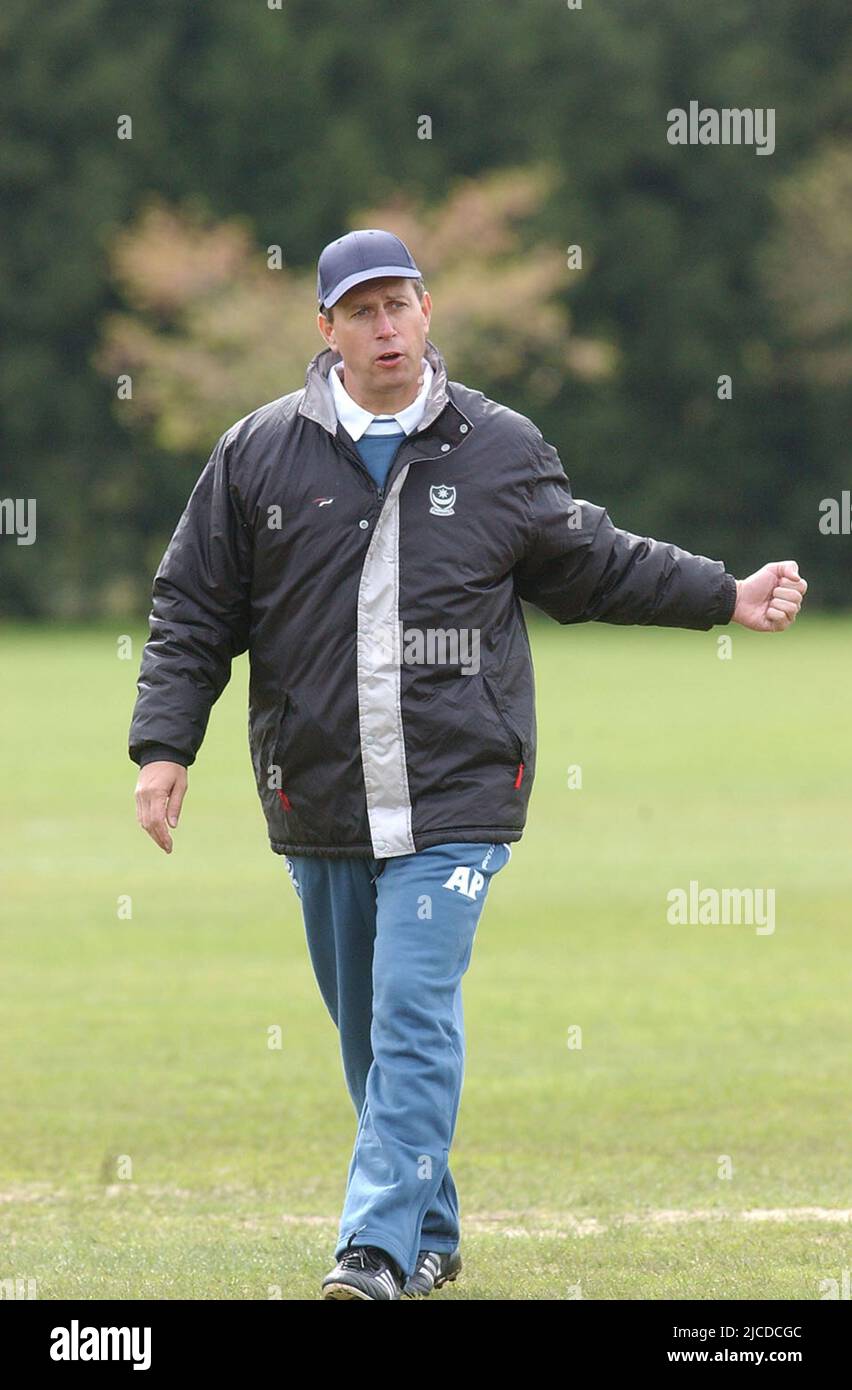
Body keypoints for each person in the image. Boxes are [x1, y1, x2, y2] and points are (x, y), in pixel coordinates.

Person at [129, 228, 808, 1300]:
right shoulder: (255, 454)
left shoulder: (496, 446)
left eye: (400, 304)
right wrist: (166, 746)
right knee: (365, 1033)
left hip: (460, 791)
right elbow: (192, 611)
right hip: (319, 790)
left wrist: (723, 594)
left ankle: (375, 1250)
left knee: (409, 1010)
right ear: (327, 331)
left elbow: (595, 563)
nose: (385, 326)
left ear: (429, 310)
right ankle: (431, 1232)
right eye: (362, 311)